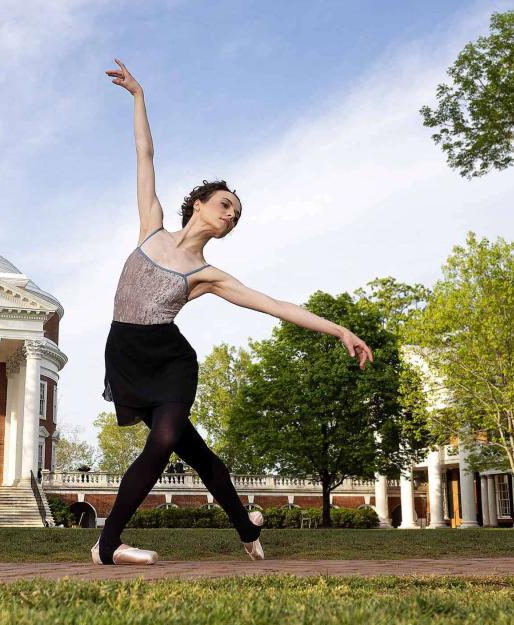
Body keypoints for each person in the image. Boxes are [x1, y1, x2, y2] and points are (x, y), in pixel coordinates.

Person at [92, 59, 374, 566]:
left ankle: (106, 546)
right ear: (198, 203)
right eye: (225, 205)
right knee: (196, 455)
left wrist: (339, 330)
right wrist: (138, 96)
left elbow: (274, 305)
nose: (230, 216)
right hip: (127, 353)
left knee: (166, 440)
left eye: (236, 216)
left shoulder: (208, 274)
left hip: (170, 361)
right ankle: (246, 526)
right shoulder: (151, 227)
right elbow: (144, 154)